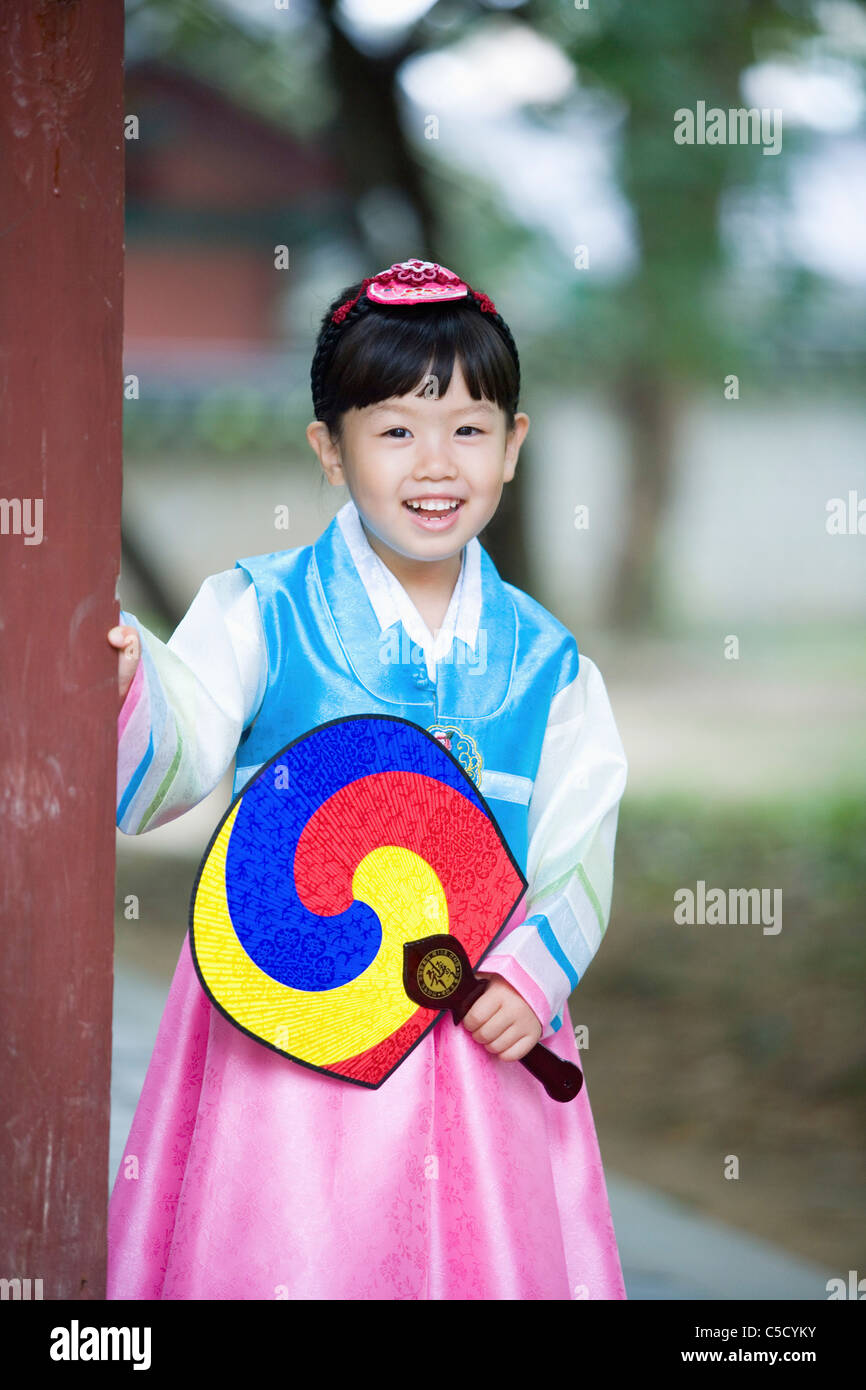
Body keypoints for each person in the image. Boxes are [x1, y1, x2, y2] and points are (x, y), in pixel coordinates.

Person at [106, 258, 629, 1300]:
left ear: (513, 445)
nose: (434, 462)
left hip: (479, 1023)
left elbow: (579, 843)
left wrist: (531, 978)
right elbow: (175, 761)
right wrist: (126, 682)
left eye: (469, 429)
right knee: (288, 1254)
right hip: (287, 1021)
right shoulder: (259, 609)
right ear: (330, 450)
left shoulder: (545, 661)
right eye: (394, 429)